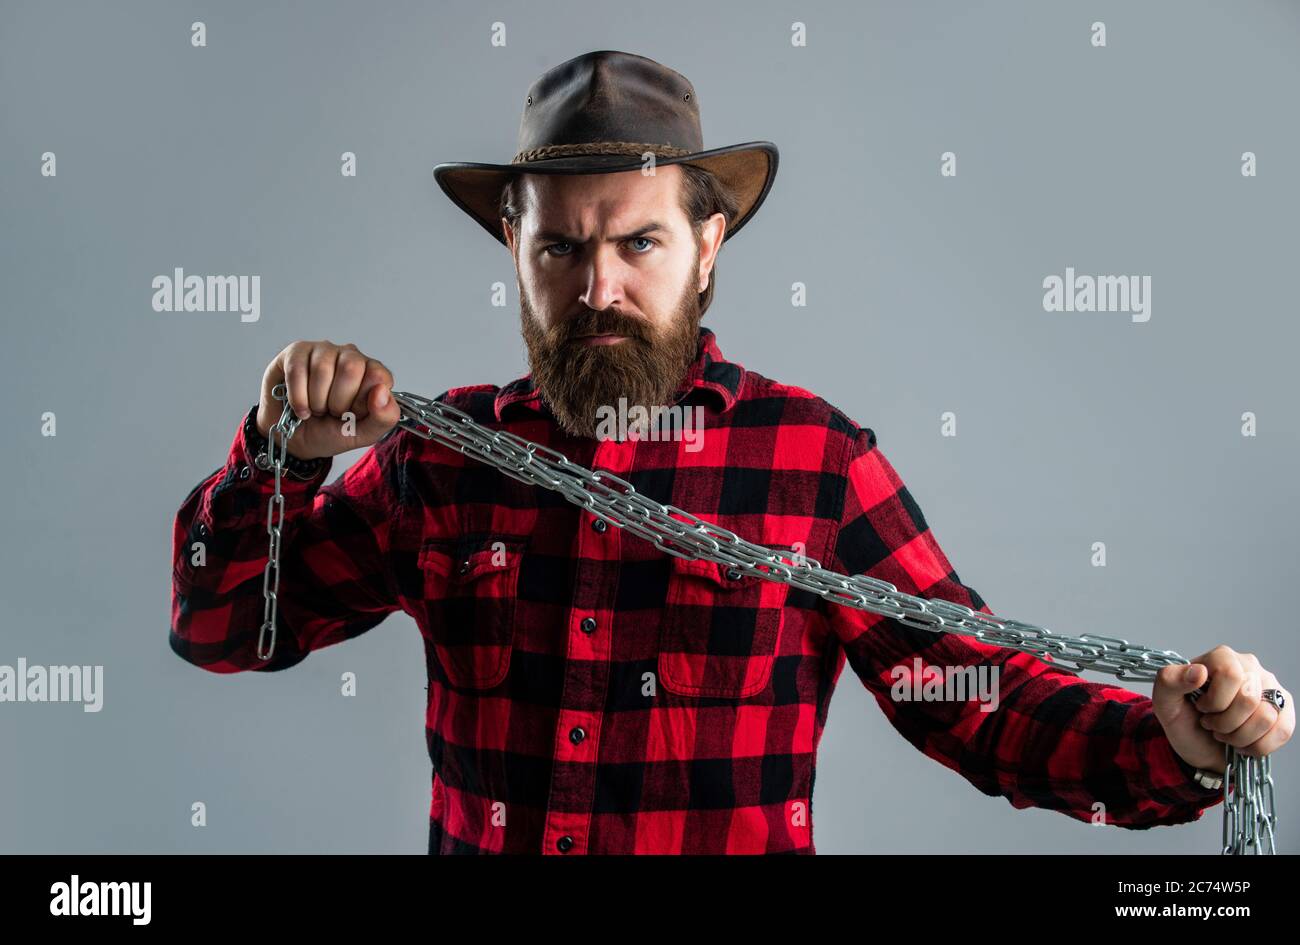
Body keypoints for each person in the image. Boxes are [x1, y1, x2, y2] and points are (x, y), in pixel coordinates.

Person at [170, 50, 1292, 854]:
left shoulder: (812, 462)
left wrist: (1175, 740)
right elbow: (219, 629)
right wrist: (278, 457)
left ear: (709, 245)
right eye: (557, 247)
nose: (596, 288)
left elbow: (978, 702)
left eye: (638, 242)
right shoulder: (436, 466)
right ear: (512, 248)